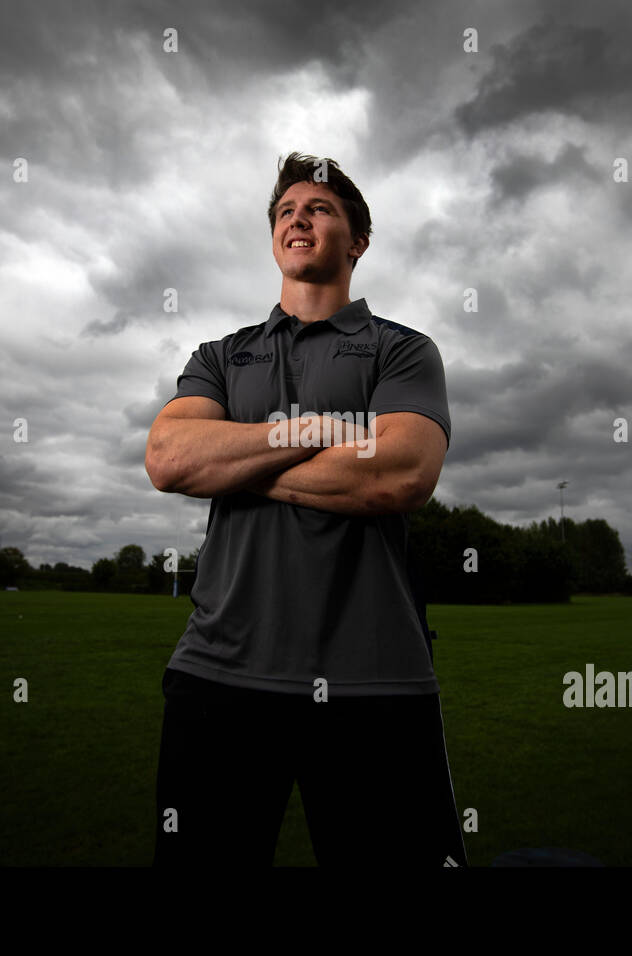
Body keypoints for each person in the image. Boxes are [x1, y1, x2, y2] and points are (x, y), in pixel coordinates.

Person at [145, 151, 466, 866]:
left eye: (319, 208)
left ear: (357, 241)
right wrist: (311, 431)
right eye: (286, 211)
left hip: (374, 675)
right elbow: (169, 458)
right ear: (272, 239)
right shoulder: (221, 356)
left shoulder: (403, 351)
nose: (299, 218)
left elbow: (401, 473)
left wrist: (231, 464)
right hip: (218, 671)